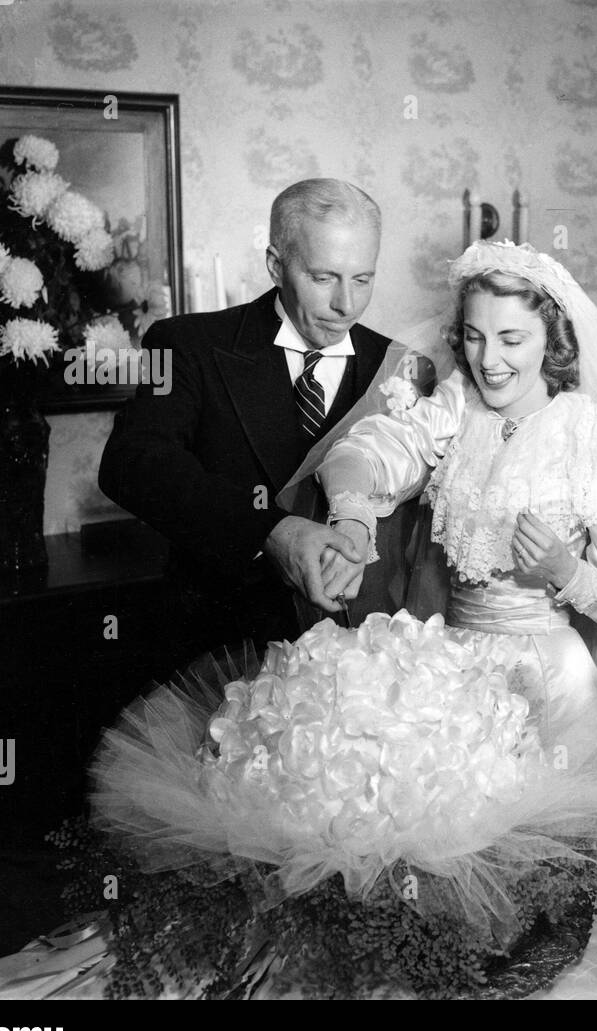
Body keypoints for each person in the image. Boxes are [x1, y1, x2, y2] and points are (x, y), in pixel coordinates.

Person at [309, 239, 597, 757]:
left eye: (512, 339)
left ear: (553, 340)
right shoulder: (458, 408)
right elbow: (363, 452)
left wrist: (565, 571)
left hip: (549, 682)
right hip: (448, 673)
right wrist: (353, 515)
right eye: (475, 337)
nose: (488, 360)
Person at [98, 178, 415, 675]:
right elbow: (132, 464)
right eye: (324, 277)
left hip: (360, 664)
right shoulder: (184, 343)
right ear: (275, 265)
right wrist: (269, 531)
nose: (346, 305)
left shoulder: (400, 367)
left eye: (363, 279)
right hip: (223, 653)